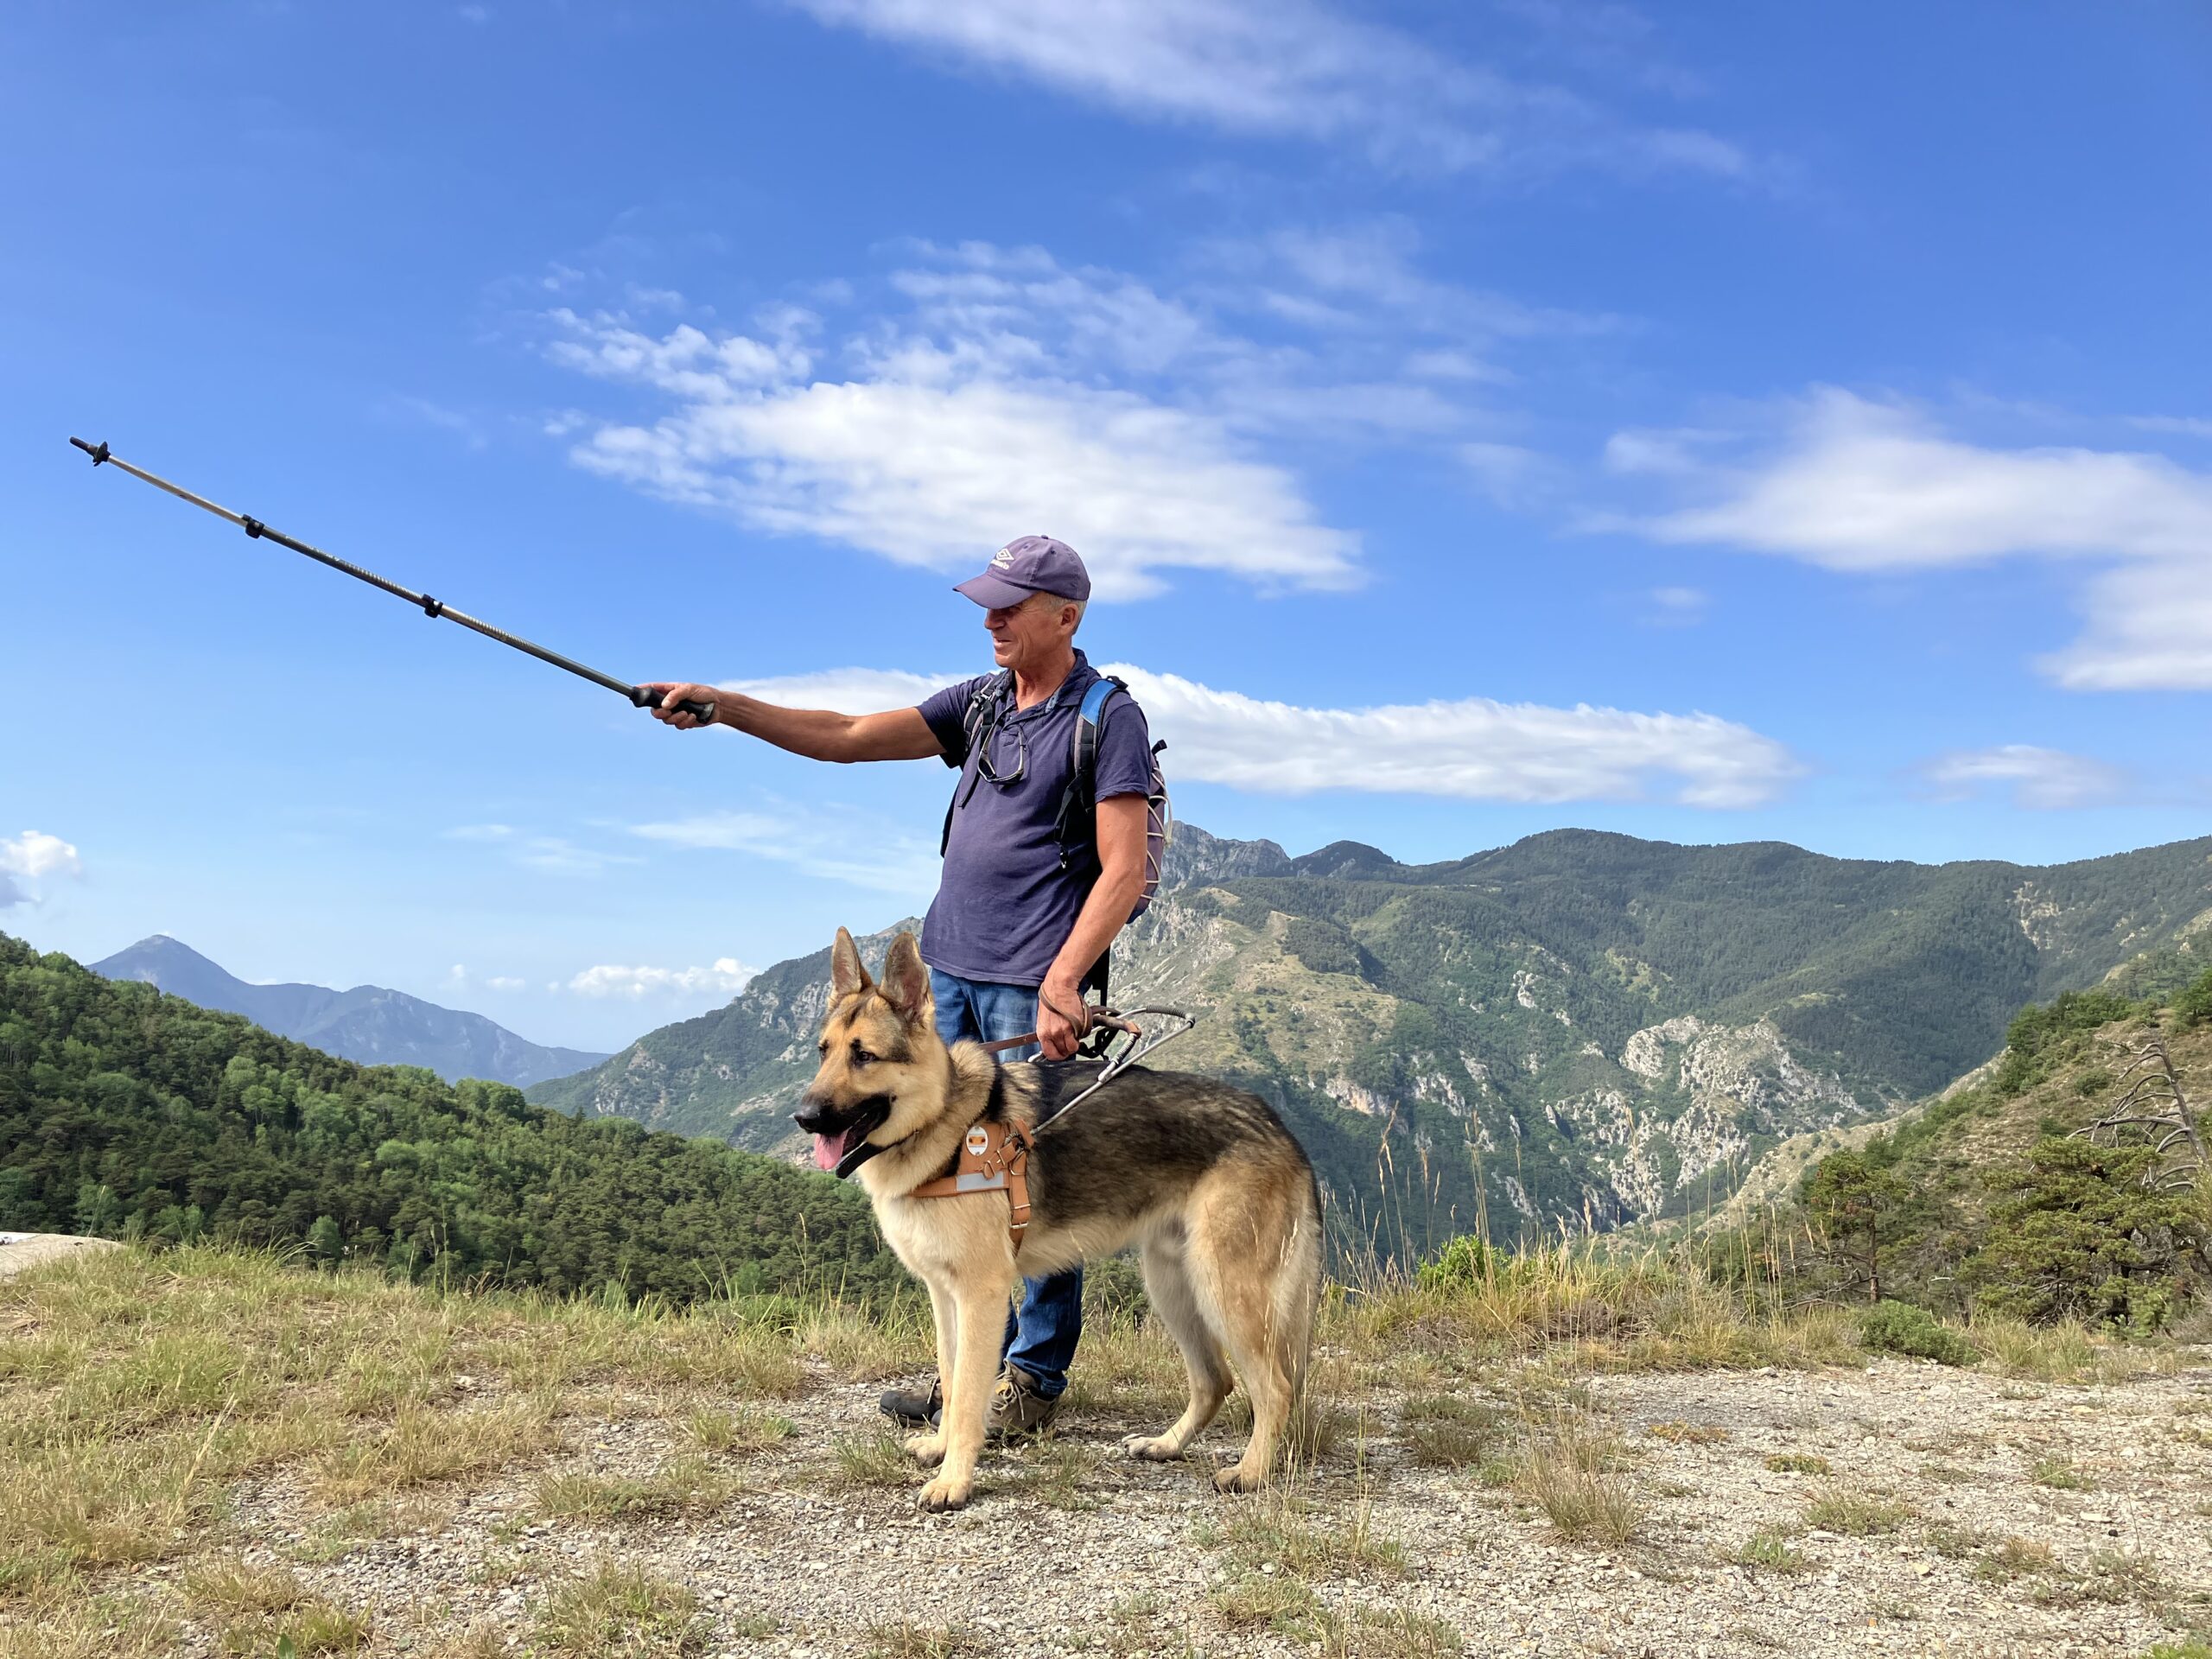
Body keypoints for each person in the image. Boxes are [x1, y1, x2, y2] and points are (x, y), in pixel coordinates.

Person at [643, 534, 1154, 1436]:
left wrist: (1066, 980)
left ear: (1064, 616)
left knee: (1030, 1186)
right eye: (986, 603)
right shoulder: (984, 705)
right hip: (941, 986)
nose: (990, 619)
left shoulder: (1102, 716)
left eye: (1009, 604)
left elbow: (1125, 870)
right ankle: (968, 1378)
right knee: (937, 1179)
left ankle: (1028, 1382)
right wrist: (725, 708)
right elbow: (845, 738)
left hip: (1030, 985)